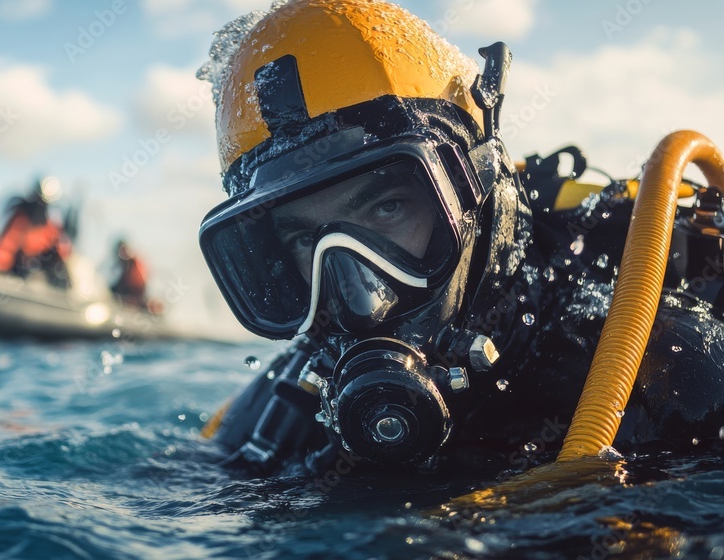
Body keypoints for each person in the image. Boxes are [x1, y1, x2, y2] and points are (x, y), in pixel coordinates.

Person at [197, 0, 724, 477]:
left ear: (477, 190)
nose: (362, 302)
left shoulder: (664, 375)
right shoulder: (279, 420)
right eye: (307, 241)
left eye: (388, 207)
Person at [0, 177, 73, 287]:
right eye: (38, 202)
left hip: (42, 280)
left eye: (44, 204)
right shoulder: (19, 221)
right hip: (16, 275)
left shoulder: (51, 227)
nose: (40, 208)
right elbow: (4, 250)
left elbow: (62, 252)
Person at [109, 238, 149, 309]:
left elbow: (139, 286)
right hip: (124, 296)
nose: (122, 253)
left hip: (136, 298)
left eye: (124, 250)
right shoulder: (120, 265)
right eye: (120, 250)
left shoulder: (135, 264)